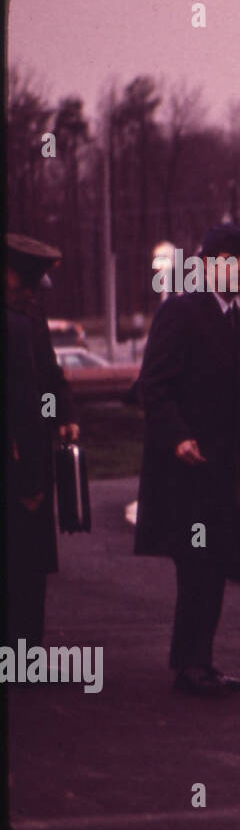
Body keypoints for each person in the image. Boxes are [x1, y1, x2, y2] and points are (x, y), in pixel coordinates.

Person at [133, 222, 240, 697]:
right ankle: (189, 665)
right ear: (205, 265)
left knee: (215, 565)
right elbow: (153, 384)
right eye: (226, 259)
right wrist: (178, 437)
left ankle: (201, 660)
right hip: (188, 474)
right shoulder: (181, 313)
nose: (236, 267)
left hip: (224, 473)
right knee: (196, 567)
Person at [5, 234, 79, 647]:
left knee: (31, 564)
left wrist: (62, 414)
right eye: (26, 282)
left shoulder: (29, 316)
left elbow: (47, 376)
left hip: (31, 457)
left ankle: (26, 651)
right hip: (16, 459)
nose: (33, 293)